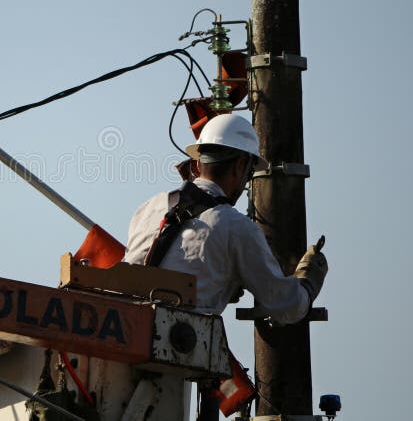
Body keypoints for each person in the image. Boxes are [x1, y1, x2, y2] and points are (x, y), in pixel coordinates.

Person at [123, 113, 327, 324]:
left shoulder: (149, 207)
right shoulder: (235, 227)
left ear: (198, 165)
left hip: (125, 333)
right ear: (240, 166)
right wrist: (308, 282)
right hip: (179, 347)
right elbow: (287, 306)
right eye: (248, 174)